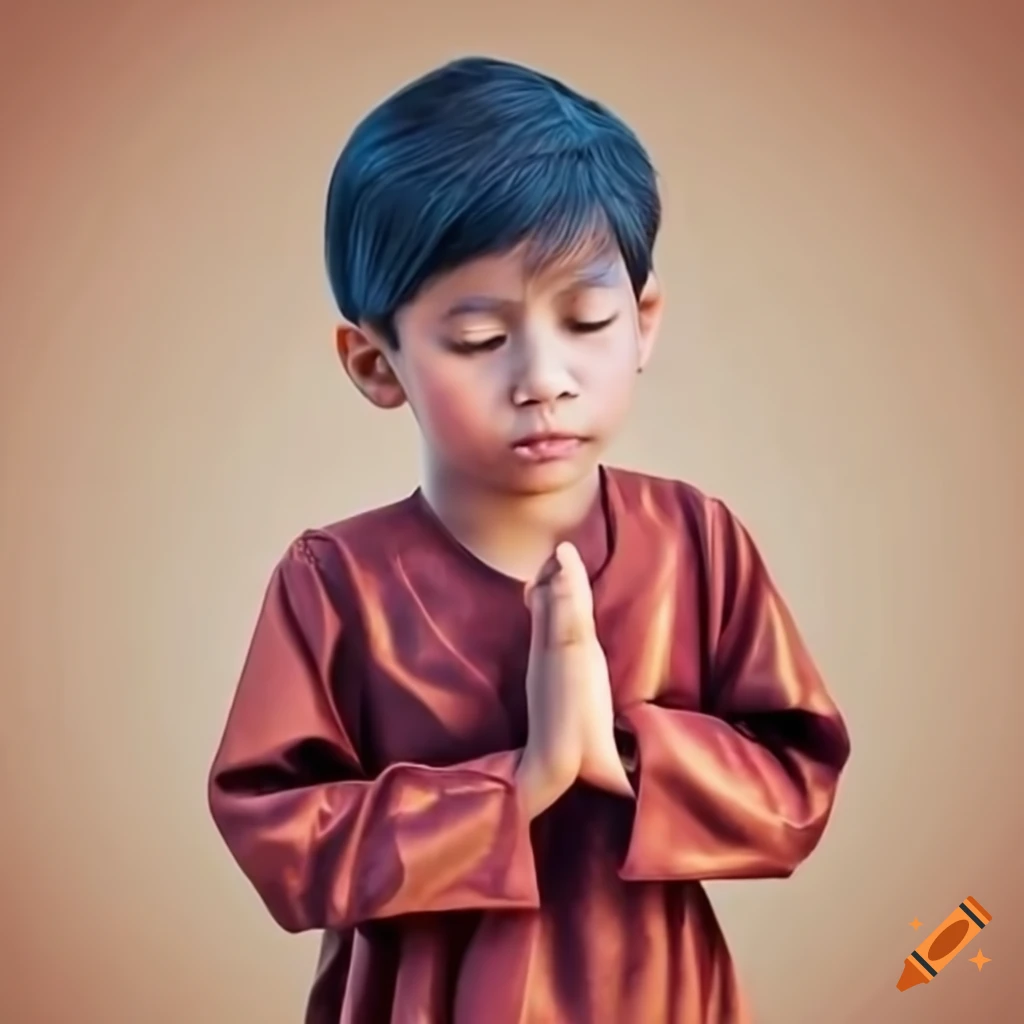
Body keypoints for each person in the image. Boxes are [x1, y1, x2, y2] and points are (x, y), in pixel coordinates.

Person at [207, 56, 851, 1024]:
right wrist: (525, 776)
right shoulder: (335, 581)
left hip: (659, 998)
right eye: (477, 338)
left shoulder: (697, 540)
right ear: (376, 363)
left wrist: (620, 745)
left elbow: (796, 788)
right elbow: (280, 836)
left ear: (642, 321)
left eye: (586, 319)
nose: (543, 376)